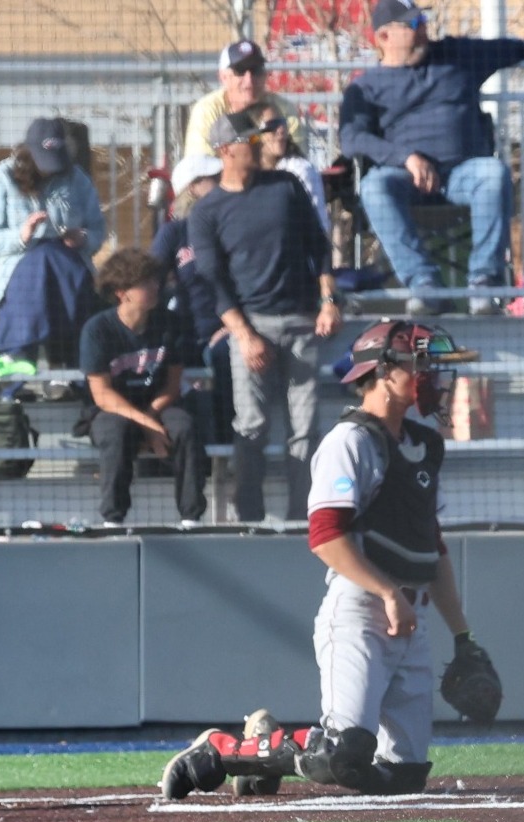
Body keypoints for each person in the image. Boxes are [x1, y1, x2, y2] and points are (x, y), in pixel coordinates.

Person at [161, 320, 482, 800]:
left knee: (404, 776)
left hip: (409, 617)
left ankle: (265, 750)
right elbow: (326, 537)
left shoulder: (423, 445)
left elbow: (432, 549)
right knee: (342, 753)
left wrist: (463, 637)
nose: (431, 376)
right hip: (362, 609)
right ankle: (220, 749)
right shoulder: (350, 440)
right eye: (420, 364)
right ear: (382, 371)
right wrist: (386, 592)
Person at [339, 0, 524, 316]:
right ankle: (424, 284)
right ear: (383, 37)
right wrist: (405, 157)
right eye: (413, 25)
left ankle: (484, 282)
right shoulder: (366, 86)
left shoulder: (457, 56)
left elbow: (515, 48)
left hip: (464, 175)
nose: (423, 30)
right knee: (374, 186)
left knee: (493, 173)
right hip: (405, 178)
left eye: (423, 21)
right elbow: (351, 139)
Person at [189, 109, 341, 522]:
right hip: (250, 327)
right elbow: (214, 280)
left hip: (301, 323)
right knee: (251, 425)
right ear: (226, 150)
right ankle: (249, 520)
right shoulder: (207, 212)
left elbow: (318, 246)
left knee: (305, 428)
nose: (262, 145)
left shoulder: (286, 186)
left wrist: (329, 299)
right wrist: (244, 335)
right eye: (252, 140)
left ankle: (303, 519)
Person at [77, 249, 206, 525]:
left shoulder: (169, 323)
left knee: (185, 428)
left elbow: (173, 384)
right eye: (145, 283)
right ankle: (113, 520)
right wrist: (146, 423)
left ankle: (191, 518)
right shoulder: (97, 330)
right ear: (122, 293)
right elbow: (102, 394)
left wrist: (151, 415)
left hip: (158, 405)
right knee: (116, 432)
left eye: (154, 280)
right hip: (111, 411)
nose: (155, 286)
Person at [0, 117, 107, 364]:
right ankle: (19, 354)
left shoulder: (76, 179)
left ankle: (61, 364)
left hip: (64, 271)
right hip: (14, 273)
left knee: (58, 263)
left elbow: (97, 230)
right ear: (28, 153)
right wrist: (21, 236)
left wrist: (82, 237)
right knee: (40, 262)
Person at [151, 154, 233, 446]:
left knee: (226, 354)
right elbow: (149, 280)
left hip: (228, 330)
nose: (224, 183)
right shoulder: (174, 233)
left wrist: (234, 325)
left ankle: (228, 447)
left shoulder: (232, 227)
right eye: (215, 179)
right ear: (193, 188)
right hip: (186, 332)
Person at [182, 39, 306, 159]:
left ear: (265, 75)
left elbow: (297, 162)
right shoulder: (207, 110)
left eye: (256, 70)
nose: (249, 80)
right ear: (223, 77)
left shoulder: (284, 109)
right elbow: (200, 164)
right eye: (240, 71)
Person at [255, 104, 330, 236]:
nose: (281, 130)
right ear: (253, 135)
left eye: (283, 123)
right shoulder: (244, 174)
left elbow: (319, 226)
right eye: (272, 125)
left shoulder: (300, 170)